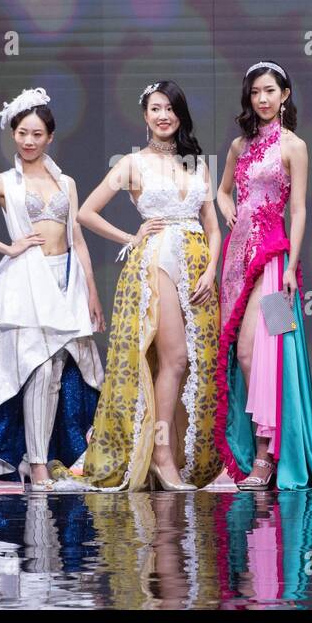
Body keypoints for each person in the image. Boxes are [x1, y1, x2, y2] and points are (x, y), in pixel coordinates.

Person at [54, 80, 224, 491]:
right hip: (158, 262)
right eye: (155, 108)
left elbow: (213, 226)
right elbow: (86, 213)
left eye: (170, 108)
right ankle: (161, 456)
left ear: (180, 114)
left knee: (196, 364)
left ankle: (170, 455)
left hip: (197, 263)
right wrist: (132, 239)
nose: (163, 115)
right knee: (175, 358)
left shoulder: (199, 163)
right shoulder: (133, 164)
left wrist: (211, 269)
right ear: (145, 115)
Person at [214, 62, 312, 491]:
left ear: (285, 94)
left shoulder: (294, 146)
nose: (262, 99)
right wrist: (230, 214)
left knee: (263, 354)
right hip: (236, 261)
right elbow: (224, 191)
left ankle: (265, 455)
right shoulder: (240, 146)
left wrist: (293, 266)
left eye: (270, 91)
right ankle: (257, 450)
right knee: (242, 356)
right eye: (256, 92)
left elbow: (298, 210)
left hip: (275, 261)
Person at [0, 88, 104, 492]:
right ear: (13, 134)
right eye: (22, 132)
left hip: (66, 278)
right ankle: (37, 464)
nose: (28, 140)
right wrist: (9, 247)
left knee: (61, 372)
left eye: (37, 133)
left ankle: (42, 459)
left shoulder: (67, 183)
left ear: (50, 137)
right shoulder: (5, 182)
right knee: (37, 369)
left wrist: (91, 291)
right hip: (27, 281)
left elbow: (76, 233)